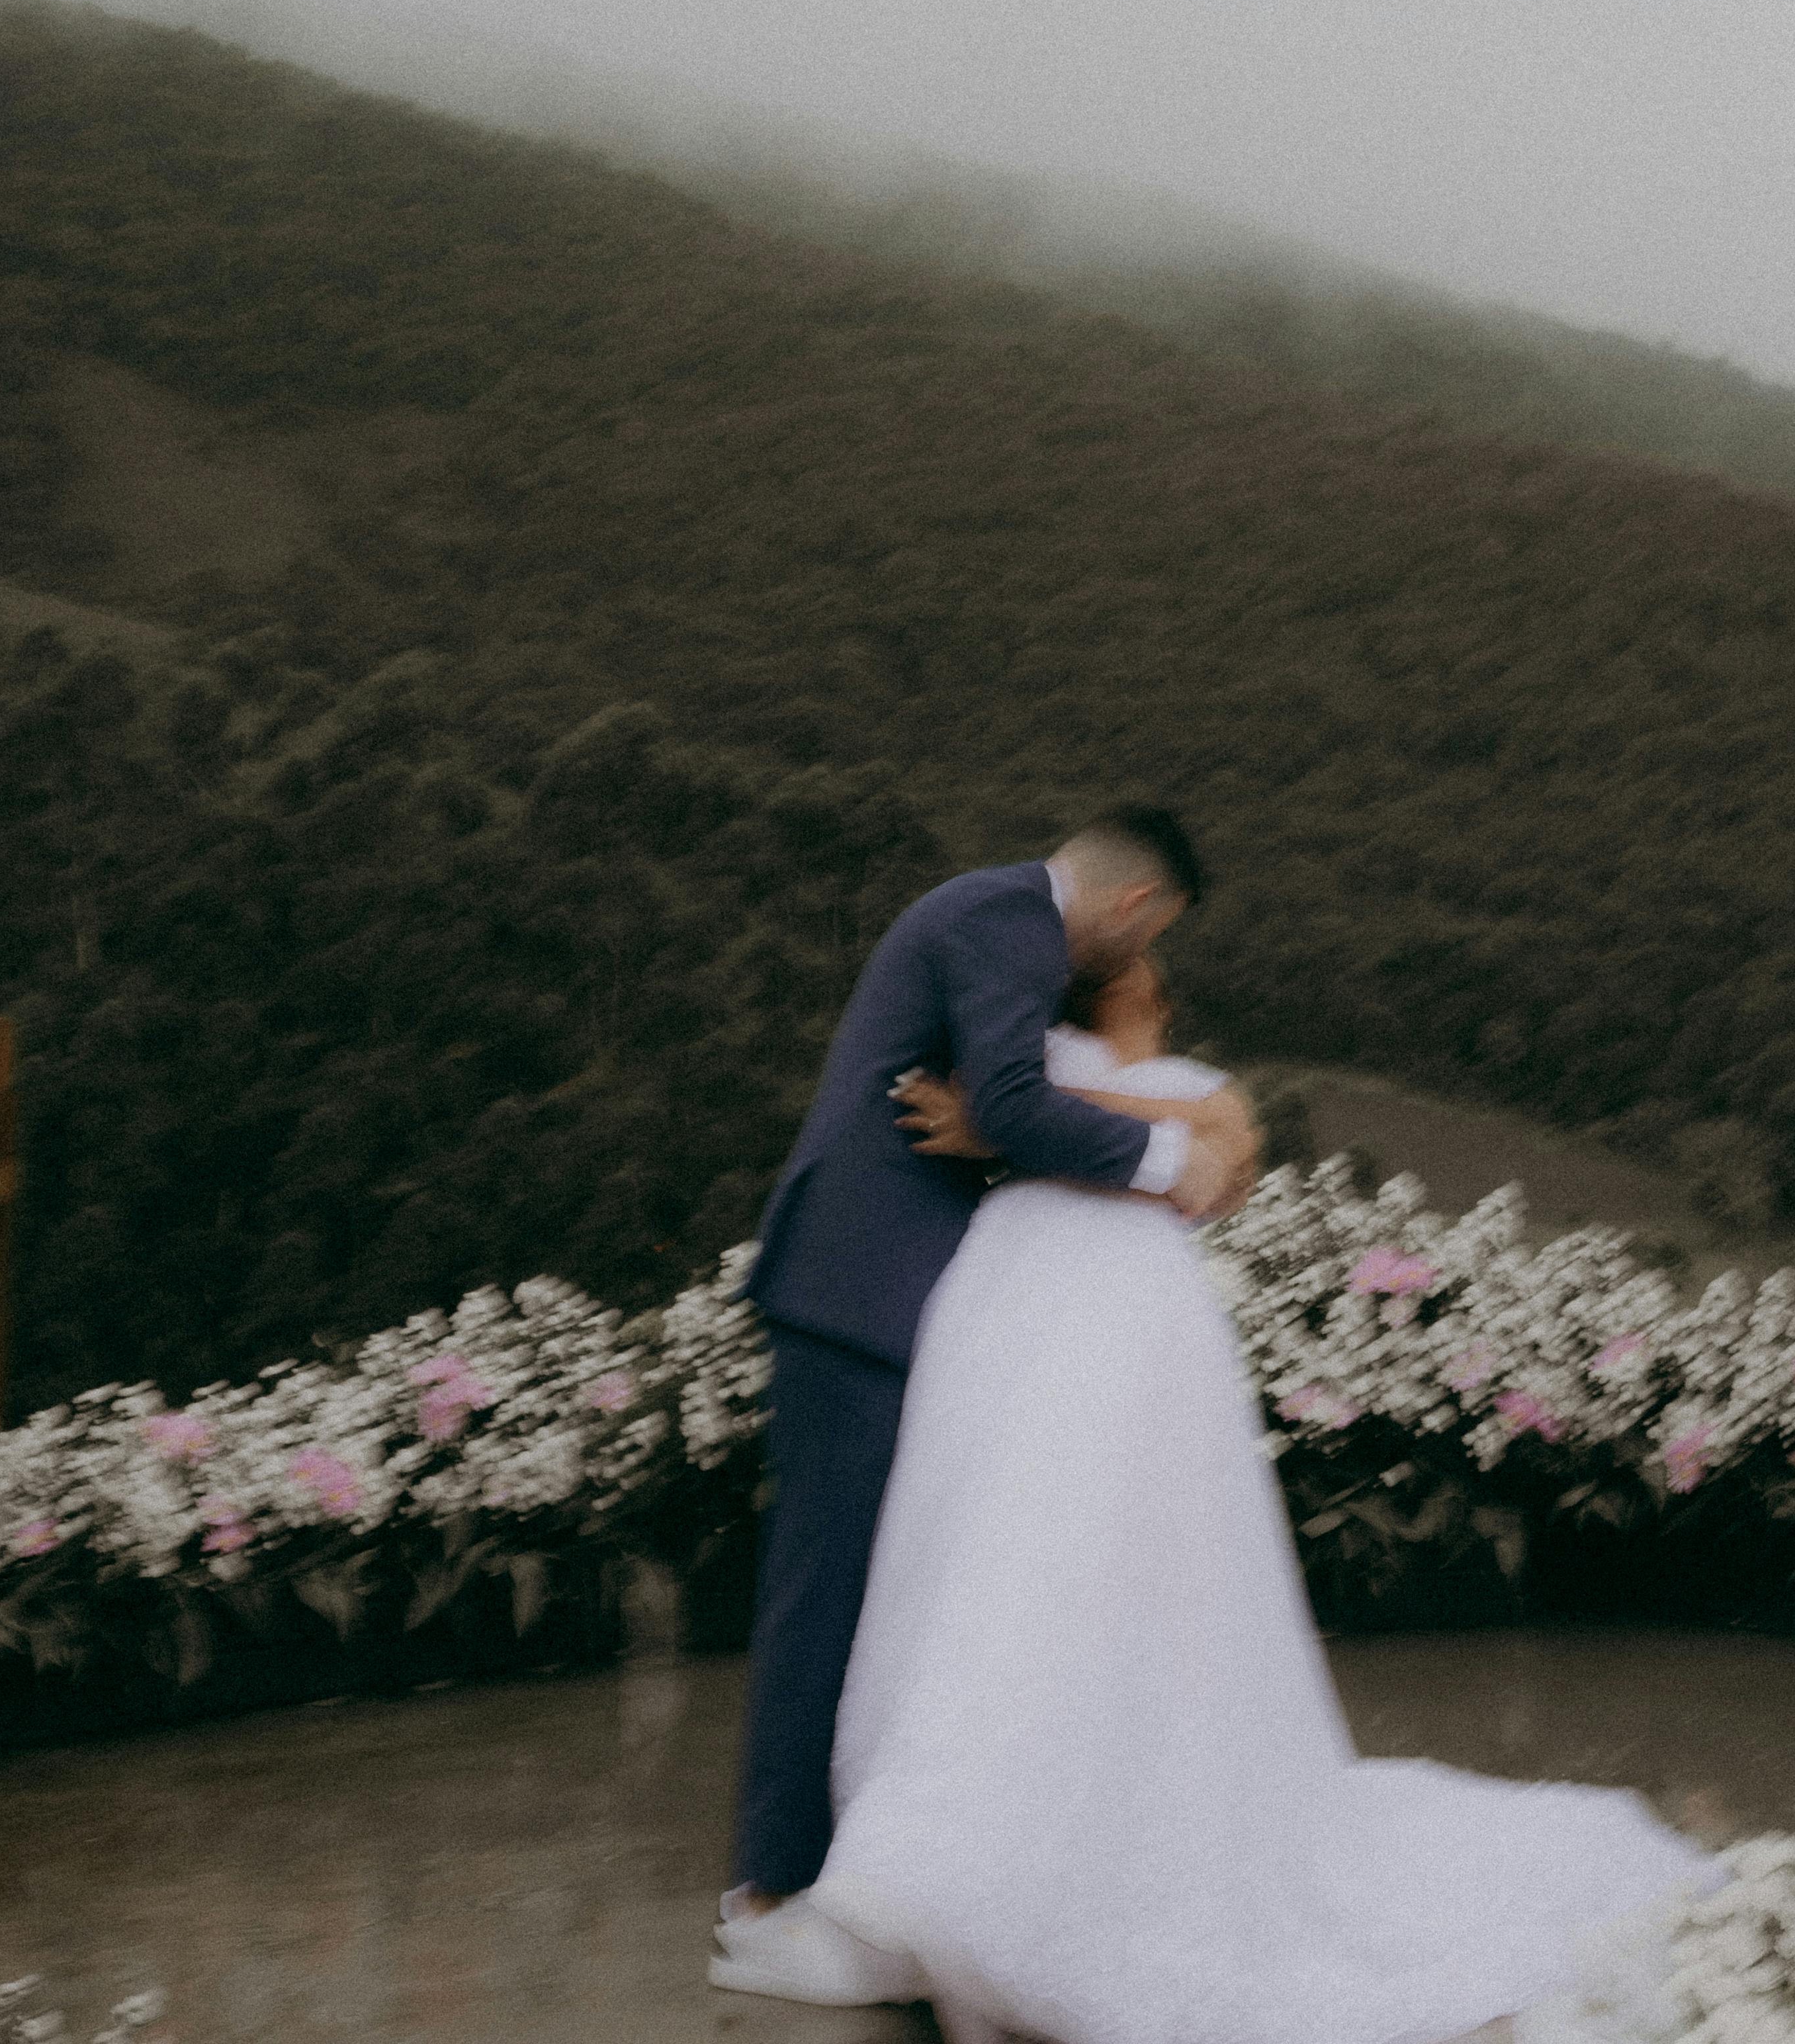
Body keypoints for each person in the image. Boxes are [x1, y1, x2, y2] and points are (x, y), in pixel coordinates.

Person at [789, 950, 1713, 2044]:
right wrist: (1025, 1114)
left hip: (1095, 1321)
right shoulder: (1066, 1073)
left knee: (1082, 1573)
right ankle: (966, 1855)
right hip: (1032, 1310)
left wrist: (1029, 1116)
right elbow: (1176, 1159)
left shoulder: (1126, 1085)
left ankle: (1028, 1857)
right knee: (1019, 1565)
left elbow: (1221, 1174)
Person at [713, 809, 1257, 2008]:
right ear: (1138, 908)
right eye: (1158, 930)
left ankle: (859, 1867)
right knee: (825, 1583)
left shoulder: (994, 921)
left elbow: (1004, 1109)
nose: (1145, 958)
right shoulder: (1008, 920)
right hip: (857, 1288)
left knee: (893, 1588)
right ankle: (764, 1895)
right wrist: (1177, 1169)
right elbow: (1010, 1096)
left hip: (915, 1298)